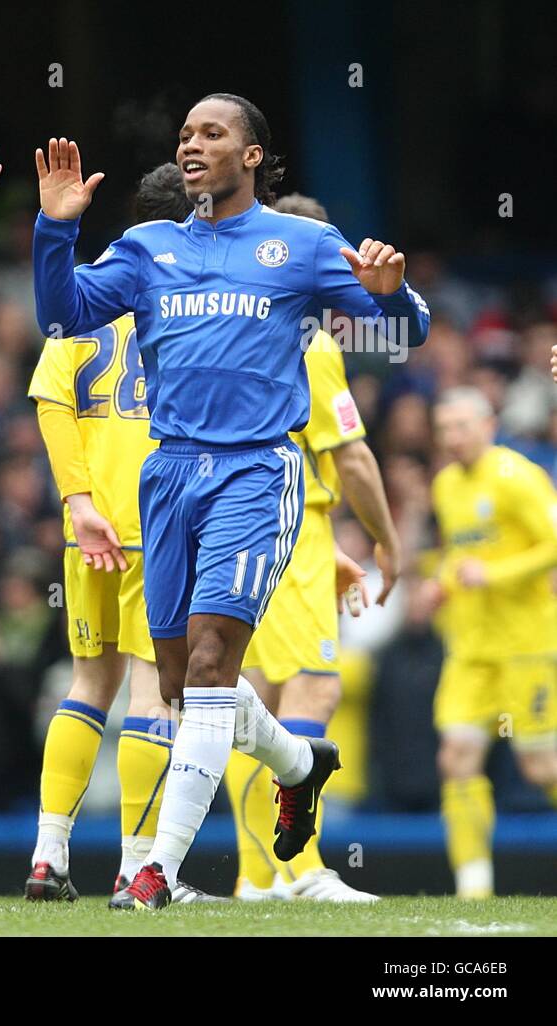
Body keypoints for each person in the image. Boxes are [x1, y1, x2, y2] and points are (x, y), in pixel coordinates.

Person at [32, 93, 430, 909]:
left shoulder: (301, 243)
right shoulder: (147, 248)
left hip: (256, 472)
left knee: (212, 665)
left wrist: (394, 293)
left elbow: (409, 324)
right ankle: (297, 764)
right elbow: (59, 313)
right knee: (179, 684)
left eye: (212, 133)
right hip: (167, 476)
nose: (192, 144)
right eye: (184, 134)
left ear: (253, 156)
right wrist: (57, 230)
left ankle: (155, 872)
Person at [23, 162, 220, 906]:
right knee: (154, 692)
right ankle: (137, 866)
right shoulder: (205, 292)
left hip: (92, 524)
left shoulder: (94, 283)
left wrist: (77, 501)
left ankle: (48, 855)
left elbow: (51, 401)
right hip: (164, 520)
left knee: (86, 683)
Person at [231, 193, 403, 904]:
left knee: (258, 703)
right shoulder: (311, 338)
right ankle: (301, 870)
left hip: (246, 518)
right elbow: (352, 457)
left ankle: (252, 877)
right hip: (290, 522)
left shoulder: (236, 321)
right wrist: (389, 542)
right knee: (314, 687)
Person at [428, 387, 557, 898]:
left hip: (526, 645)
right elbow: (458, 554)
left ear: (488, 425)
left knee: (540, 765)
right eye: (443, 429)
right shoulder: (445, 485)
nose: (450, 438)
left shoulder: (517, 477)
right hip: (470, 649)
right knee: (456, 756)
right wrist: (440, 582)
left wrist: (495, 574)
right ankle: (473, 886)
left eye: (460, 426)